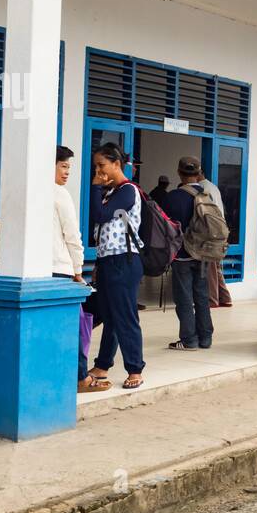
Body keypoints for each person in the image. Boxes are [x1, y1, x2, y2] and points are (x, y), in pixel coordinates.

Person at [88, 144, 145, 390]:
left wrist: (94, 187)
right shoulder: (111, 191)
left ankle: (135, 369)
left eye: (101, 165)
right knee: (111, 316)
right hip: (108, 260)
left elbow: (101, 215)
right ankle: (102, 366)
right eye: (96, 166)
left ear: (116, 164)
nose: (98, 171)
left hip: (125, 260)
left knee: (125, 316)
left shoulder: (127, 191)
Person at [50, 147, 105, 393]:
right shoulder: (60, 194)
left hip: (36, 272)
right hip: (61, 272)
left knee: (51, 327)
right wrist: (78, 269)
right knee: (72, 328)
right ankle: (81, 377)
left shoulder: (29, 191)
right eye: (63, 166)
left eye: (68, 168)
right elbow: (72, 235)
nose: (66, 173)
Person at [162, 156, 220, 352]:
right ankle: (206, 338)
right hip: (203, 255)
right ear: (199, 173)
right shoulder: (207, 195)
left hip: (181, 256)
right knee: (202, 296)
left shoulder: (172, 197)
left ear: (179, 172)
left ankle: (189, 340)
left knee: (184, 298)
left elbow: (165, 229)